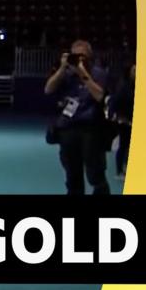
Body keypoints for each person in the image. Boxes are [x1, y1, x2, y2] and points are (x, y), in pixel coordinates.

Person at [44, 40, 110, 195]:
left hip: (91, 129)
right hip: (68, 128)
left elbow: (100, 96)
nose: (79, 59)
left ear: (89, 56)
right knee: (72, 175)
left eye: (83, 56)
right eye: (75, 56)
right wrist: (62, 68)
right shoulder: (66, 74)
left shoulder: (98, 73)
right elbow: (48, 89)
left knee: (95, 174)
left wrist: (84, 75)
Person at [108, 63, 135, 179]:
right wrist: (112, 115)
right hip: (124, 121)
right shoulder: (123, 87)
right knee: (124, 145)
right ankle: (119, 171)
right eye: (134, 70)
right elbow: (114, 102)